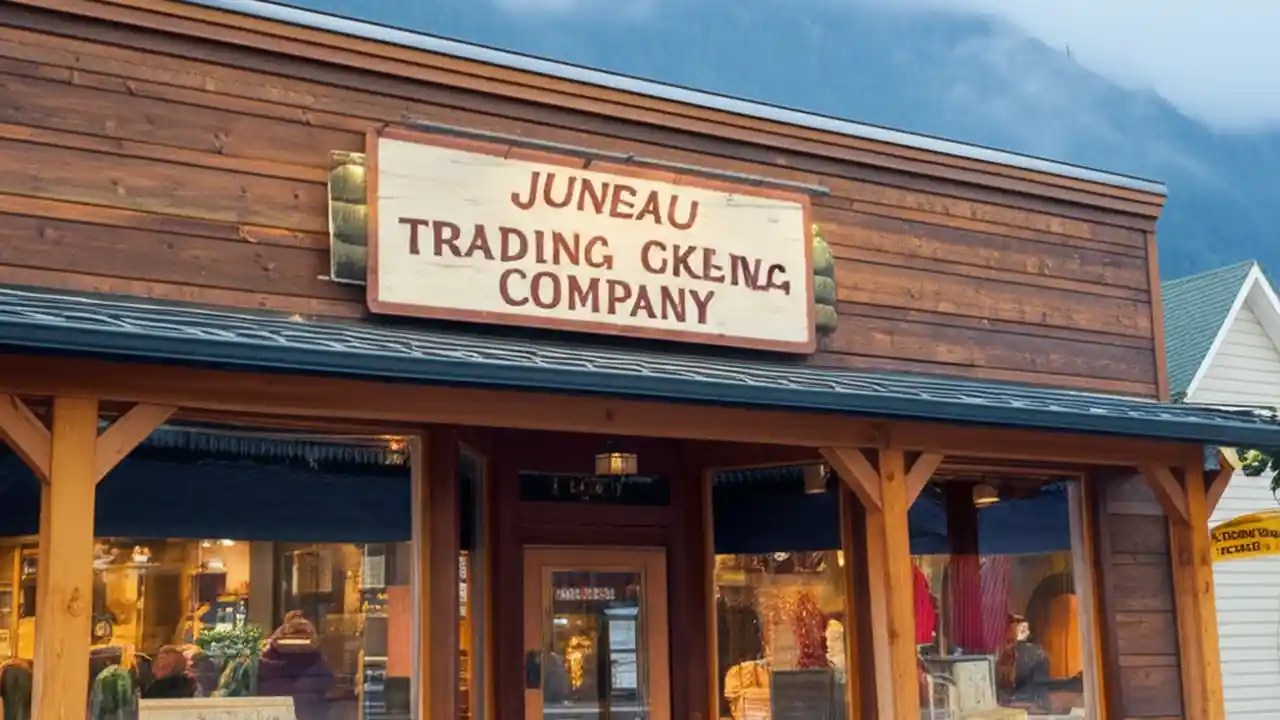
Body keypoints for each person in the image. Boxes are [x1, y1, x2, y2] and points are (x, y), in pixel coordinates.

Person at [257, 610, 334, 720]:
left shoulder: (273, 647)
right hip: (309, 706)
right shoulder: (315, 653)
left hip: (278, 707)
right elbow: (327, 681)